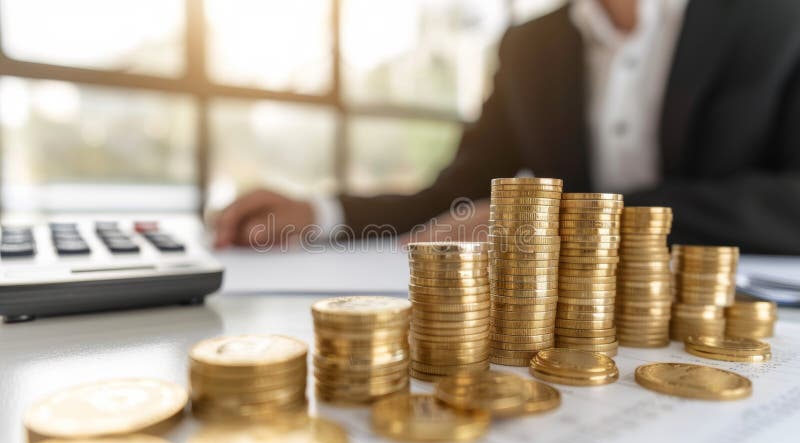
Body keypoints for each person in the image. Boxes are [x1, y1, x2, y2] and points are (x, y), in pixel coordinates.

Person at [215, 0, 800, 255]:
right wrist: (322, 215)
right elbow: (457, 196)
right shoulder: (530, 47)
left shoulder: (779, 20)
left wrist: (557, 219)